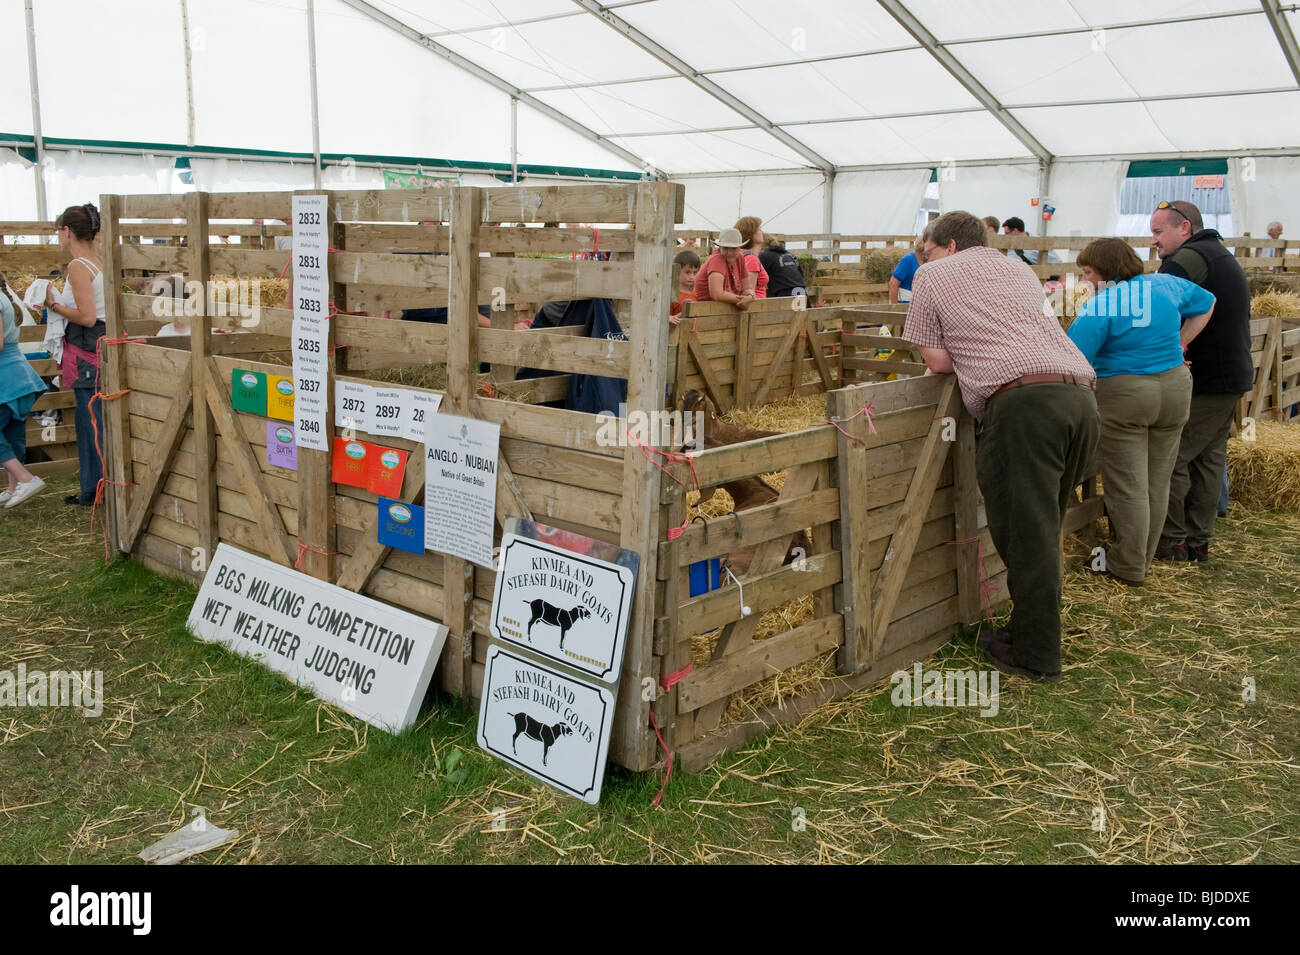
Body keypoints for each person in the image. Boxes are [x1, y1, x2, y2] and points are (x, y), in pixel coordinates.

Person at [904, 211, 1098, 682]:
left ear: (947, 245)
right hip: (1080, 398)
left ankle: (1037, 656)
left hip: (1024, 406)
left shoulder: (931, 274)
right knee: (1042, 526)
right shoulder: (1016, 267)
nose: (923, 260)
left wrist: (962, 349)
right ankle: (1025, 630)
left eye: (926, 250)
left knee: (1025, 536)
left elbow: (937, 360)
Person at [1066, 239, 1214, 585]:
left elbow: (1074, 361)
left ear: (1105, 270)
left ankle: (1127, 566)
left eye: (1087, 272)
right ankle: (1142, 557)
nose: (1085, 280)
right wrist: (1181, 341)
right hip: (1175, 387)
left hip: (1126, 393)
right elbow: (1208, 303)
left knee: (1127, 483)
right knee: (1158, 479)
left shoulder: (1101, 306)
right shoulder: (1164, 283)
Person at [1149, 200, 1253, 562]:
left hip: (1207, 378)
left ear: (1185, 228)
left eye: (1159, 232)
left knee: (1174, 456)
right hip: (1230, 374)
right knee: (1208, 457)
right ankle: (1196, 541)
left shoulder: (1188, 260)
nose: (1154, 242)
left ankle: (1173, 540)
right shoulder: (1218, 254)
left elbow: (1159, 307)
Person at [43, 204, 106, 507]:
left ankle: (93, 491)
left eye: (59, 231)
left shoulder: (79, 266)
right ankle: (97, 487)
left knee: (89, 420)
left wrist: (52, 305)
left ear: (67, 231)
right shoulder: (99, 261)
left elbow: (88, 317)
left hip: (87, 350)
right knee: (97, 420)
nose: (59, 236)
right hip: (99, 347)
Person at [0, 293, 49, 508]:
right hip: (18, 375)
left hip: (6, 377)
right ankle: (14, 488)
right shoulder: (3, 296)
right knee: (12, 432)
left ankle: (26, 479)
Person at [694, 228, 753, 309]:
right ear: (720, 247)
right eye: (726, 248)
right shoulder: (716, 259)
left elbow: (747, 288)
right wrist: (743, 300)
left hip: (722, 311)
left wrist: (750, 296)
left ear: (740, 248)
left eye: (734, 248)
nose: (729, 252)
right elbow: (717, 294)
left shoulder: (740, 258)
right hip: (705, 311)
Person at [733, 216, 769, 299]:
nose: (762, 232)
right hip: (756, 307)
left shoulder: (741, 254)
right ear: (750, 233)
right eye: (759, 229)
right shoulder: (751, 259)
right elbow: (749, 293)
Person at [888, 240, 924, 304]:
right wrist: (894, 306)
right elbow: (893, 283)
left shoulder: (926, 260)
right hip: (904, 302)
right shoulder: (908, 259)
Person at [670, 249, 699, 324]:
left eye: (695, 272)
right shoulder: (672, 296)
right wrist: (685, 311)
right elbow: (669, 320)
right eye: (688, 272)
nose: (692, 277)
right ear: (677, 271)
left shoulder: (697, 294)